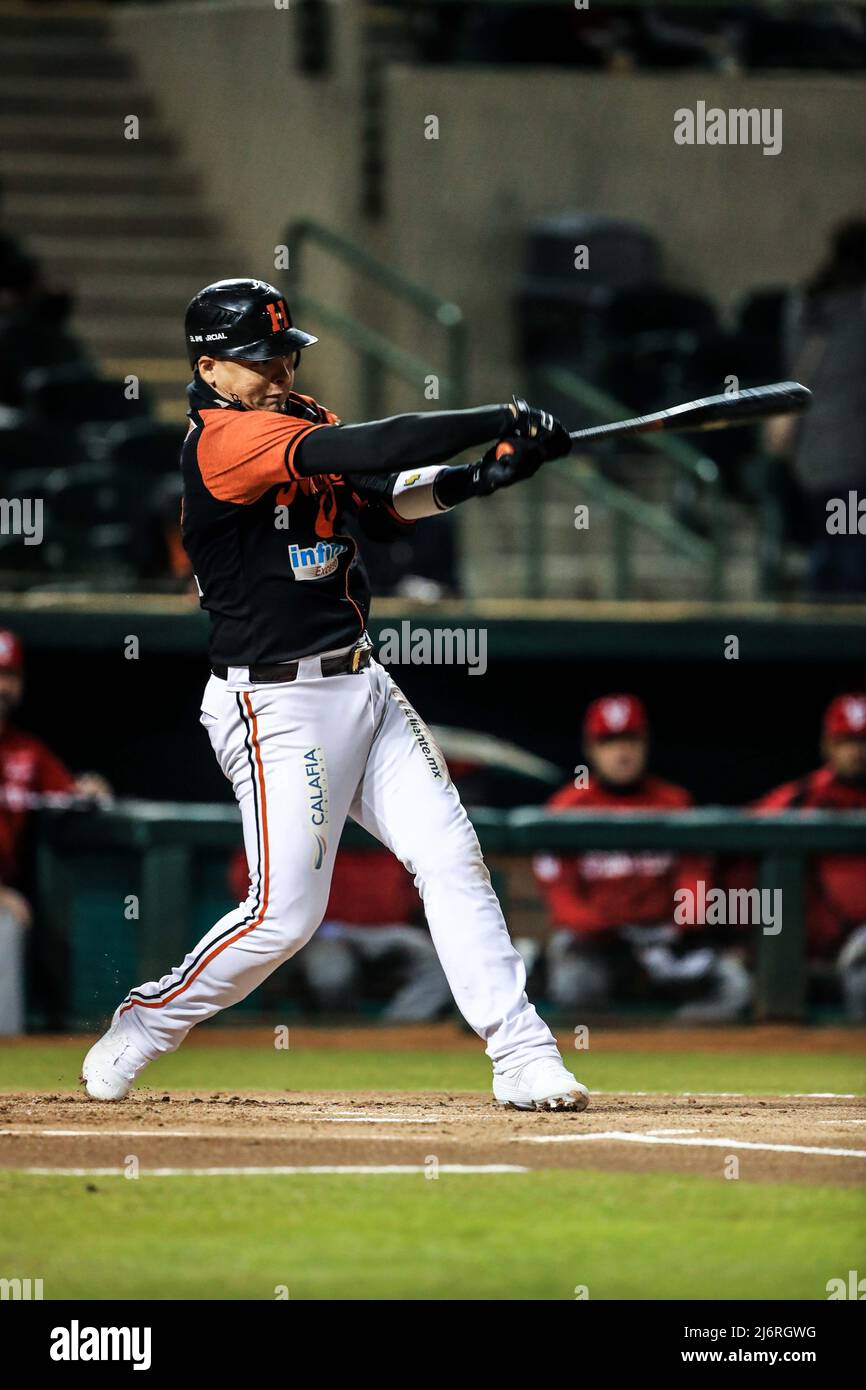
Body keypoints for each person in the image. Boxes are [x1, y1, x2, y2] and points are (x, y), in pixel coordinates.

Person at [82, 277, 588, 1111]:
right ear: (210, 368)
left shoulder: (300, 415)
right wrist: (497, 419)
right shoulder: (221, 442)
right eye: (257, 359)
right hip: (275, 708)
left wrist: (484, 477)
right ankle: (146, 1022)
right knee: (284, 918)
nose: (277, 371)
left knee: (452, 857)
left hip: (361, 682)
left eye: (283, 353)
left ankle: (522, 1053)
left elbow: (384, 505)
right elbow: (375, 447)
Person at [534, 693, 751, 1021]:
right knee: (574, 982)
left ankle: (675, 1044)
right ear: (591, 748)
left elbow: (695, 883)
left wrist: (677, 929)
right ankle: (604, 1050)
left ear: (645, 743)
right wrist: (615, 934)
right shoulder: (566, 808)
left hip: (664, 941)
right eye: (610, 741)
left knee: (735, 987)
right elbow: (565, 901)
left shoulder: (675, 802)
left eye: (630, 740)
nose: (622, 752)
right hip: (599, 943)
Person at [0, 629, 112, 1032]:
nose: (1, 686)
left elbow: (69, 792)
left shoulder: (26, 752)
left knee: (6, 921)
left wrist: (88, 788)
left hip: (6, 897)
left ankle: (8, 1072)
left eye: (8, 675)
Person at [229, 844, 452, 1021]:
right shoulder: (306, 815)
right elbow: (248, 879)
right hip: (324, 933)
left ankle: (389, 1037)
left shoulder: (387, 817)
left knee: (438, 965)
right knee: (332, 973)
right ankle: (338, 1039)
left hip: (389, 930)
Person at [748, 693, 866, 1019]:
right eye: (846, 741)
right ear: (827, 745)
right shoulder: (801, 798)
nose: (857, 751)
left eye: (863, 740)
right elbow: (738, 839)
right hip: (819, 947)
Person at [766, 217, 866, 597]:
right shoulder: (856, 309)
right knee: (851, 558)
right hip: (853, 455)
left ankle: (818, 624)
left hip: (812, 458)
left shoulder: (803, 303)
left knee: (830, 547)